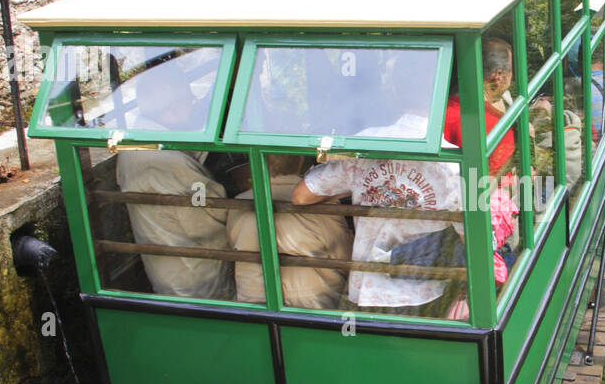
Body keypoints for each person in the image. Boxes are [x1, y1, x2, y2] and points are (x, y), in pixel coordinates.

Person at [292, 111, 469, 319]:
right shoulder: (453, 164)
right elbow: (473, 239)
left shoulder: (366, 147)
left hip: (365, 287)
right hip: (424, 292)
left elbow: (301, 196)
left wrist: (352, 187)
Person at [114, 72, 235, 300]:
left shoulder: (139, 140)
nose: (191, 106)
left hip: (169, 262)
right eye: (188, 100)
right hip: (191, 272)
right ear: (172, 107)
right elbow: (210, 205)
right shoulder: (161, 160)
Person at [226, 154, 353, 308]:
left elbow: (232, 245)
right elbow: (344, 257)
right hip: (311, 304)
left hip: (250, 301)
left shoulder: (238, 202)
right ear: (302, 162)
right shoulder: (323, 206)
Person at [441, 37, 516, 177]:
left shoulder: (433, 114)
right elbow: (500, 189)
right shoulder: (499, 127)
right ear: (498, 76)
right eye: (511, 72)